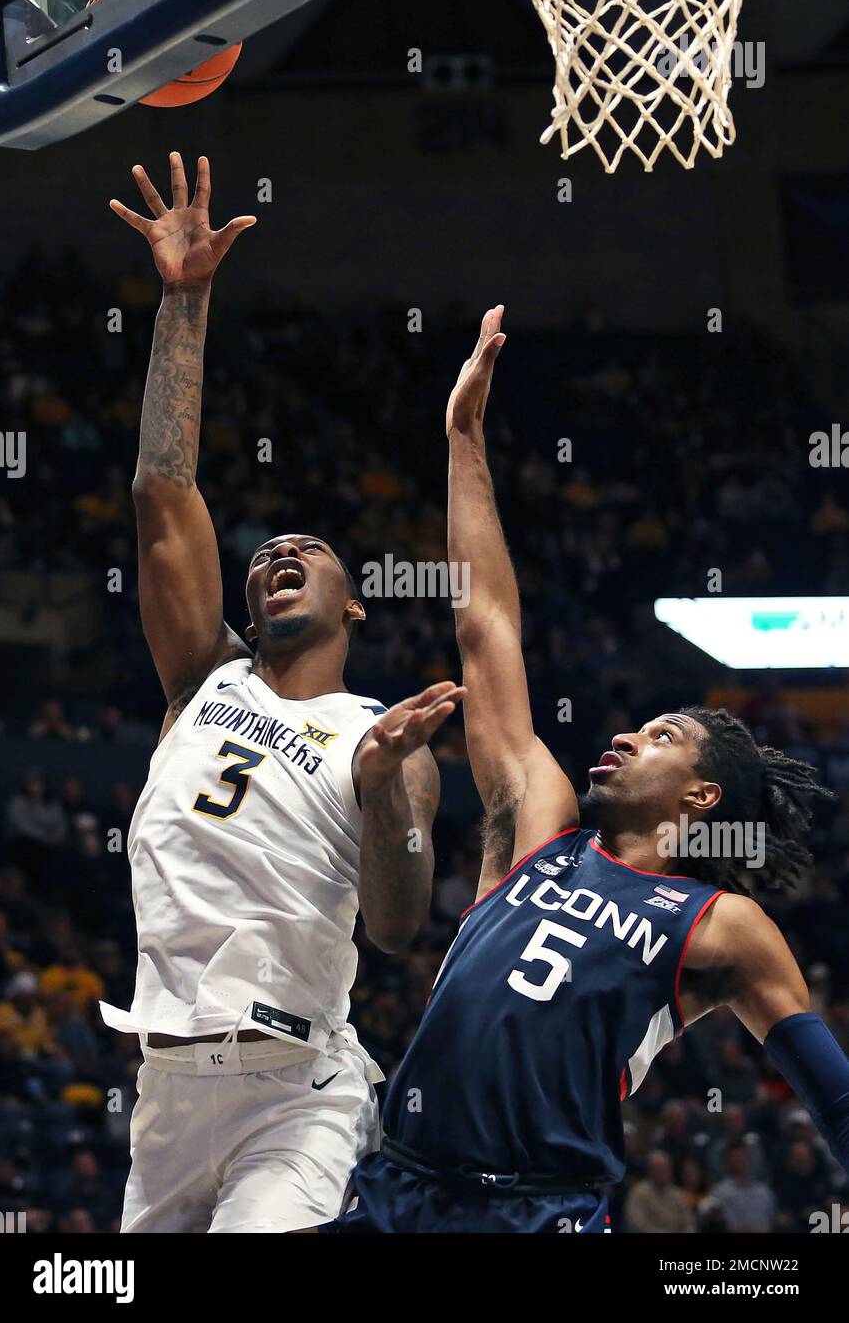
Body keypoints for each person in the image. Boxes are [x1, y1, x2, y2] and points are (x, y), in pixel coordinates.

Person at [324, 307, 849, 1233]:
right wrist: (463, 441)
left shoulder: (725, 928)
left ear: (701, 796)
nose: (622, 738)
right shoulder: (541, 828)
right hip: (395, 1188)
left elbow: (835, 1099)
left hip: (542, 1213)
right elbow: (485, 625)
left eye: (659, 736)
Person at [103, 154, 462, 1233]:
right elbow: (163, 493)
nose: (280, 552)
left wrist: (383, 790)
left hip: (293, 1083)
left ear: (355, 608)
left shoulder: (379, 736)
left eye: (308, 548)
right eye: (266, 553)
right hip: (166, 1086)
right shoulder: (202, 679)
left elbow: (398, 926)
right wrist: (184, 300)